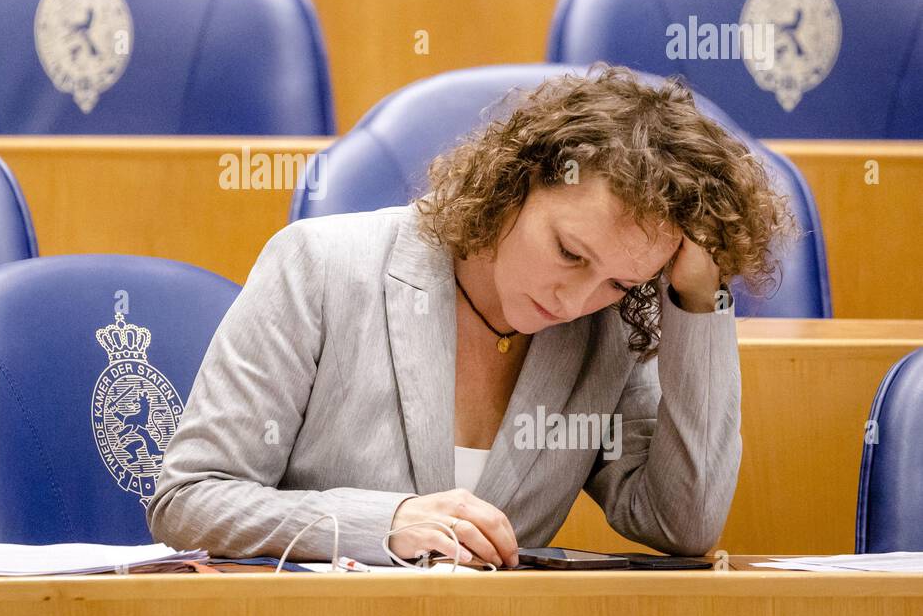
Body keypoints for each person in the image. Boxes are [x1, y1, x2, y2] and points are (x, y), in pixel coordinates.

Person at [146, 66, 801, 567]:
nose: (575, 301)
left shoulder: (610, 328)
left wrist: (698, 300)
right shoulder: (319, 266)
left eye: (622, 280)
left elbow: (681, 522)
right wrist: (383, 523)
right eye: (570, 252)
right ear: (512, 185)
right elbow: (191, 499)